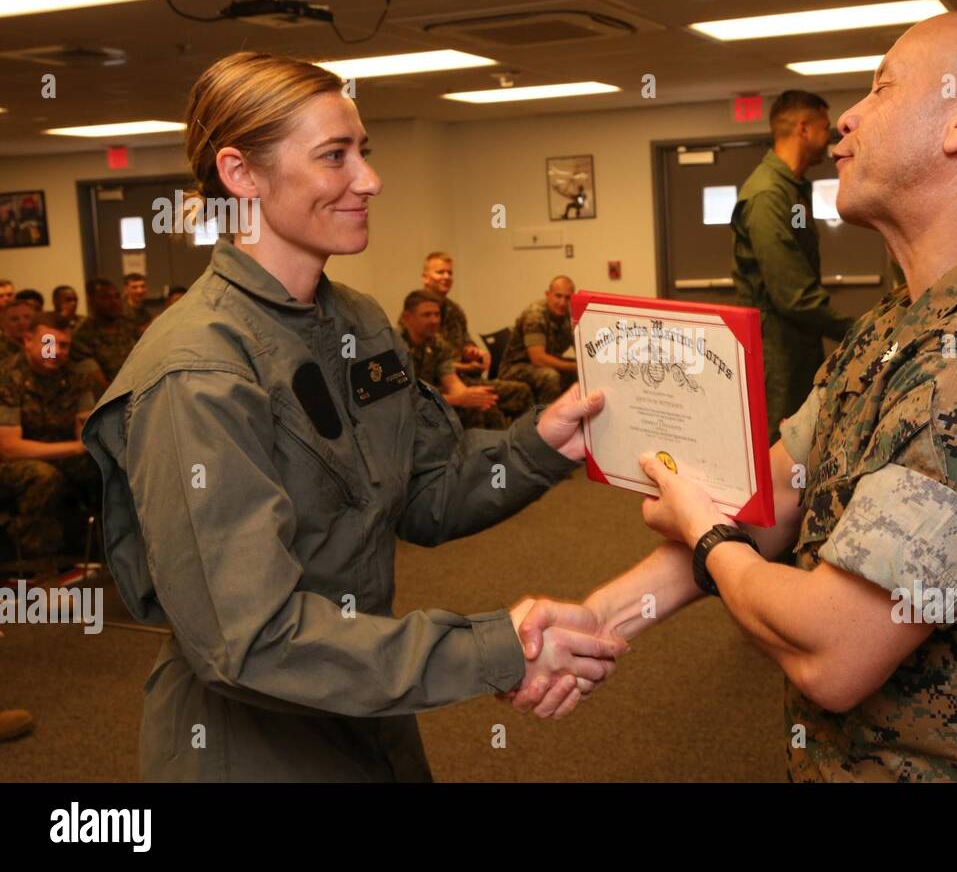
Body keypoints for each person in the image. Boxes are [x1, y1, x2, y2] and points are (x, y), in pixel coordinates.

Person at [515, 12, 957, 783]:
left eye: (883, 87)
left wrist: (703, 530)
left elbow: (834, 651)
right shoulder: (896, 325)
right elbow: (763, 502)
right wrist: (602, 618)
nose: (849, 120)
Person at [80, 51, 627, 782]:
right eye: (334, 156)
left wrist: (541, 445)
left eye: (362, 152)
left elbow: (426, 493)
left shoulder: (359, 323)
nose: (368, 179)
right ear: (241, 175)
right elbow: (251, 640)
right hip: (251, 741)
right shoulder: (198, 370)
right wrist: (493, 649)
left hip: (365, 700)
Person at [732, 89, 854, 444]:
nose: (829, 135)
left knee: (800, 448)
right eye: (824, 126)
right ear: (803, 128)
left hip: (795, 344)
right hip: (777, 353)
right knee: (778, 450)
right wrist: (857, 330)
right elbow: (792, 295)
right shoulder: (769, 194)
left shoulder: (790, 189)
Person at [0, 313, 99, 571]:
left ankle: (115, 552)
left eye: (63, 345)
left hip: (58, 454)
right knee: (44, 477)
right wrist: (76, 447)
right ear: (27, 341)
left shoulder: (75, 376)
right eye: (47, 343)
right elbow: (9, 448)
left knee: (108, 467)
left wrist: (86, 446)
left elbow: (84, 426)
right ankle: (42, 569)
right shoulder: (7, 377)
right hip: (12, 464)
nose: (55, 351)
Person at [421, 251, 532, 419]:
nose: (446, 276)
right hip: (440, 387)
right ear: (425, 277)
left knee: (521, 391)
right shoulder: (418, 312)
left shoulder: (454, 310)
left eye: (449, 272)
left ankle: (524, 441)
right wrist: (466, 367)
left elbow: (466, 342)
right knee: (490, 408)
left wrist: (475, 353)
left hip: (467, 378)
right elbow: (429, 365)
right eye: (440, 272)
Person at [399, 290, 507, 430]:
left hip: (431, 399)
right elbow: (403, 399)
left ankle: (491, 450)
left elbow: (450, 379)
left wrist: (468, 395)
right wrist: (458, 399)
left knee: (483, 408)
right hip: (404, 411)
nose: (434, 320)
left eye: (437, 314)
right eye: (427, 315)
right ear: (407, 318)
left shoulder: (437, 344)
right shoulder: (394, 347)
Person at [498, 276, 577, 406]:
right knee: (551, 377)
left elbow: (581, 349)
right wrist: (574, 367)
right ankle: (544, 421)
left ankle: (573, 419)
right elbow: (538, 359)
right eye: (558, 296)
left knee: (581, 374)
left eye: (568, 298)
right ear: (548, 295)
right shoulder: (535, 315)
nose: (562, 303)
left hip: (544, 362)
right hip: (516, 367)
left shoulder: (569, 316)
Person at [71, 278, 141, 389]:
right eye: (106, 297)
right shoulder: (82, 334)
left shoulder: (129, 324)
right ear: (91, 301)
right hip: (108, 396)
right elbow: (98, 382)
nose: (114, 302)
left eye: (117, 296)